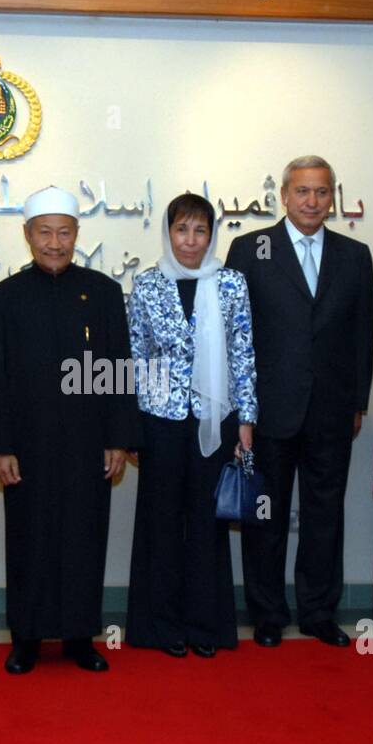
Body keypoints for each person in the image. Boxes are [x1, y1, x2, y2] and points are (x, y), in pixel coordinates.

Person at [0, 186, 141, 674]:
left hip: (88, 442)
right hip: (26, 445)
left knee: (83, 537)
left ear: (77, 234)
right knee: (28, 538)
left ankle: (78, 636)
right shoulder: (1, 299)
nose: (55, 242)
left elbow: (119, 368)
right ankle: (25, 638)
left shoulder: (105, 293)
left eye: (64, 232)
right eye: (45, 232)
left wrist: (118, 437)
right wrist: (1, 446)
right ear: (27, 235)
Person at [224, 155, 373, 648]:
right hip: (268, 411)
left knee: (324, 515)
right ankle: (267, 614)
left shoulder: (355, 255)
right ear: (283, 196)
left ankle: (317, 612)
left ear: (333, 197)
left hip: (332, 412)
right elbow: (234, 335)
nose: (313, 201)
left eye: (322, 192)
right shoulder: (250, 249)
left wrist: (357, 401)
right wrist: (240, 409)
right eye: (303, 191)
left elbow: (361, 338)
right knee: (264, 514)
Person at [125, 193, 257, 657]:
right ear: (168, 232)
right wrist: (132, 427)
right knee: (160, 524)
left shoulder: (232, 284)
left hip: (215, 421)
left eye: (200, 230)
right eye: (181, 229)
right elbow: (135, 358)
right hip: (159, 422)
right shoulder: (146, 285)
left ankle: (206, 627)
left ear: (211, 235)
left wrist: (247, 419)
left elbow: (243, 353)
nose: (190, 240)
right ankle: (160, 627)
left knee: (206, 523)